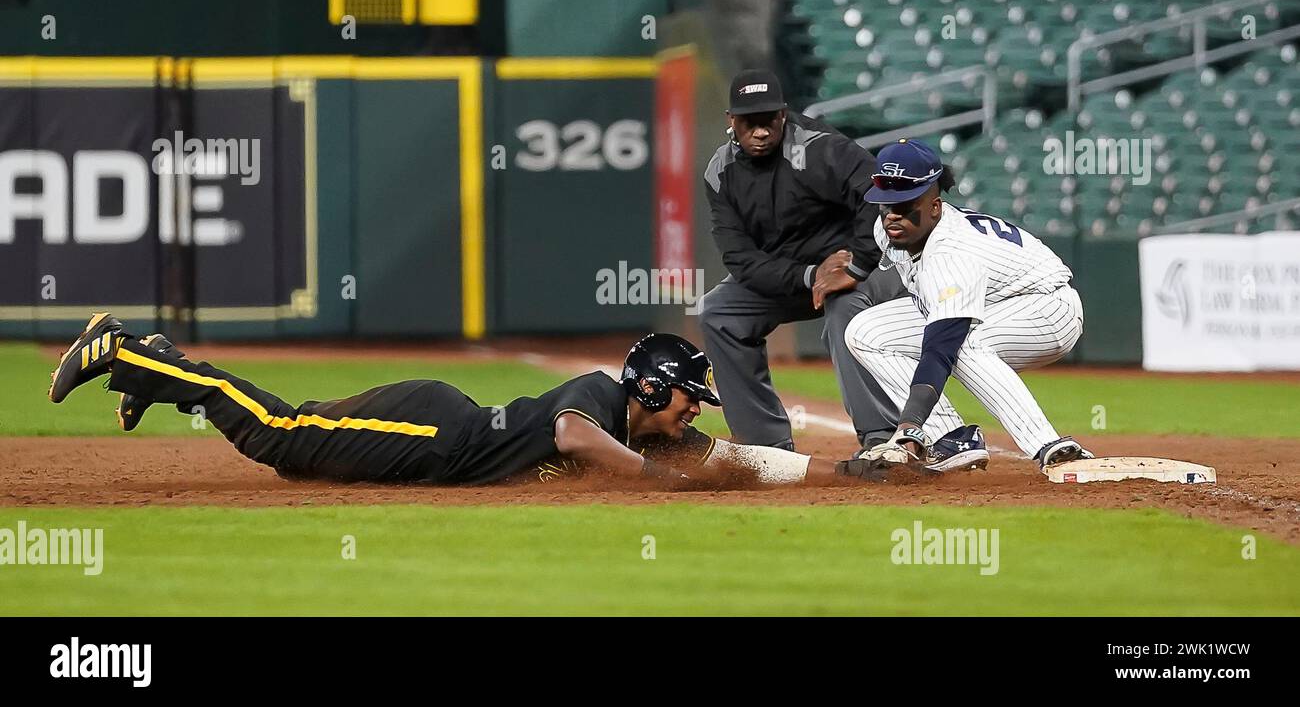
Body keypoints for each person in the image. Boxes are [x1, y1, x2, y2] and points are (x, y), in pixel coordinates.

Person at [47, 315, 882, 487]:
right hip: (434, 434)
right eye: (689, 399)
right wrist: (656, 479)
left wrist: (842, 472)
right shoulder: (598, 399)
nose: (695, 412)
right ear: (652, 388)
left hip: (437, 432)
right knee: (279, 433)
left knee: (301, 460)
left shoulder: (645, 430)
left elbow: (734, 457)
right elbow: (567, 432)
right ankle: (129, 350)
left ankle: (156, 370)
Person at [844, 139, 1094, 473]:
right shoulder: (887, 229)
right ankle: (952, 438)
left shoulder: (952, 252)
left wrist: (908, 424)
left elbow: (942, 347)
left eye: (903, 205)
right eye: (885, 203)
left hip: (1047, 309)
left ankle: (1048, 445)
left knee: (965, 342)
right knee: (865, 332)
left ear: (935, 207)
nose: (892, 215)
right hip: (994, 304)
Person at [698, 68, 906, 453]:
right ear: (731, 121)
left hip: (859, 266)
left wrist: (857, 265)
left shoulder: (819, 147)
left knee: (847, 312)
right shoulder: (721, 172)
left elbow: (878, 194)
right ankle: (764, 446)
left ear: (782, 115)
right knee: (720, 312)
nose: (760, 132)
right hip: (795, 275)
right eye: (749, 122)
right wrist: (810, 275)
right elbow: (739, 258)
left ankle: (883, 440)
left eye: (768, 121)